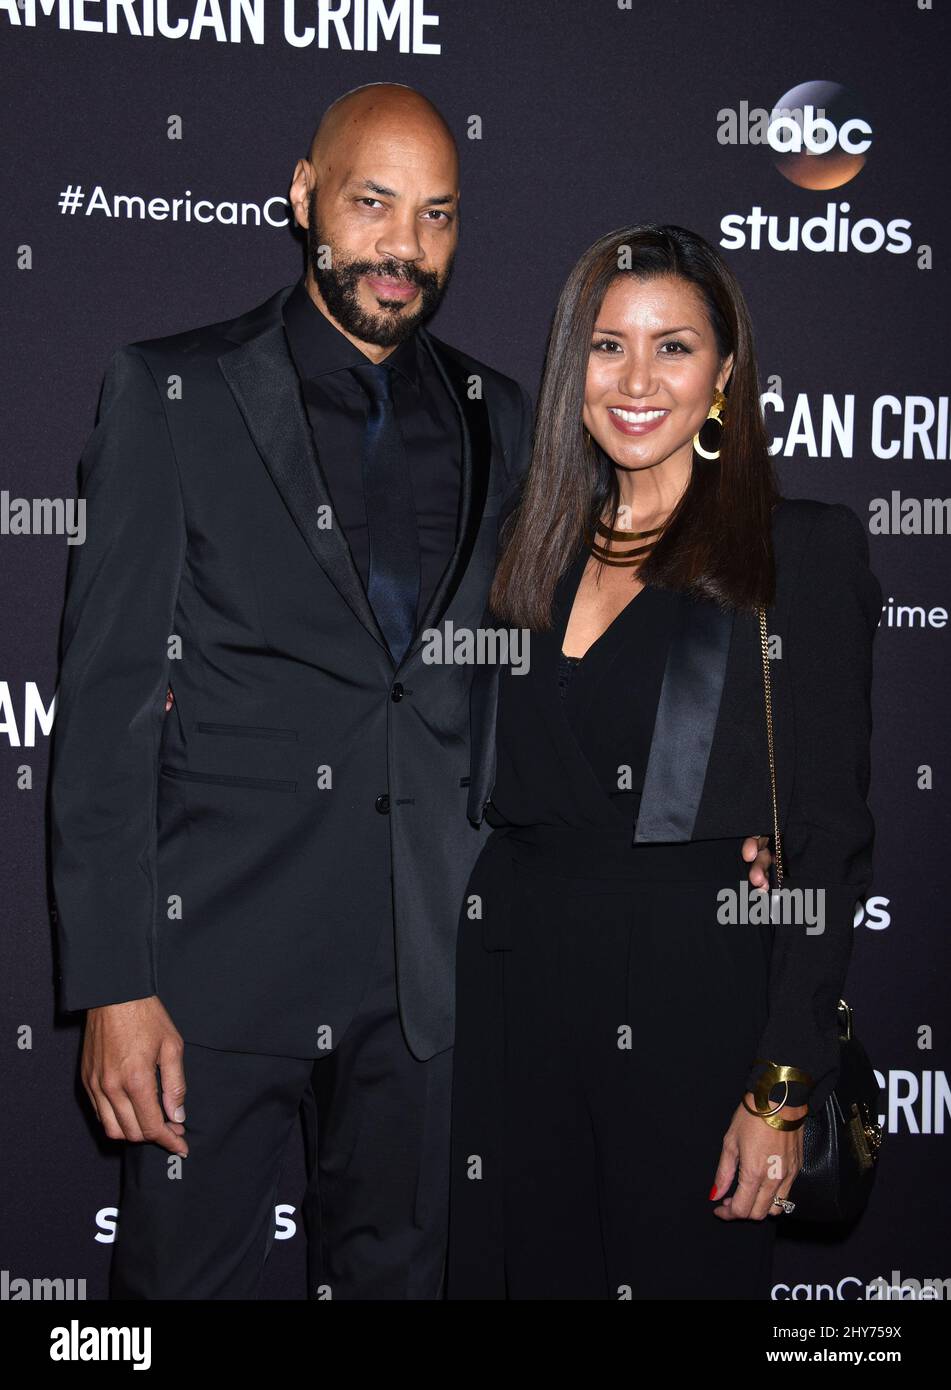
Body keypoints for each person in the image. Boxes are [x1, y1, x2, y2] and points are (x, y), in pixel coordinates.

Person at [48, 82, 773, 1300]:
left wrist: (733, 820)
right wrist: (117, 982)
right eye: (373, 204)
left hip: (438, 980)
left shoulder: (510, 421)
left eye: (436, 214)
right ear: (303, 198)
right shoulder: (170, 393)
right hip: (214, 973)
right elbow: (105, 709)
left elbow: (596, 651)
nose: (403, 247)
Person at [448, 224, 882, 1300]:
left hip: (696, 1003)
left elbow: (826, 839)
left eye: (674, 347)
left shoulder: (798, 553)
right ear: (571, 369)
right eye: (608, 346)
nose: (637, 380)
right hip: (513, 995)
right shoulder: (523, 547)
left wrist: (782, 1089)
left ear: (725, 373)